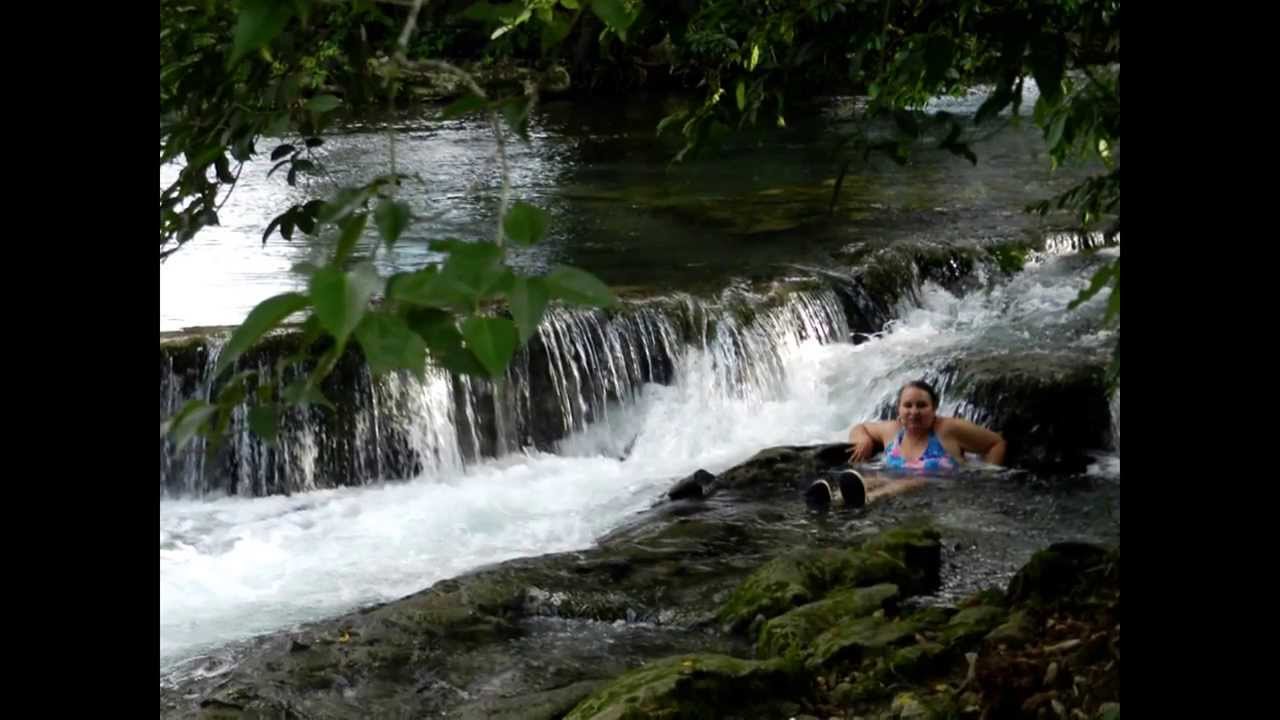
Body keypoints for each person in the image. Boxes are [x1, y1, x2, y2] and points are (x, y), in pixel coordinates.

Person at [806, 379, 1007, 509]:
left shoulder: (948, 429)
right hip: (894, 484)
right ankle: (833, 498)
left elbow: (996, 443)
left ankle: (866, 501)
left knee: (912, 480)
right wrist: (863, 439)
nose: (914, 412)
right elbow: (860, 427)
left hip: (936, 491)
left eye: (922, 405)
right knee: (876, 478)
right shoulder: (892, 430)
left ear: (934, 409)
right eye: (908, 405)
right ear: (899, 409)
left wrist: (987, 477)